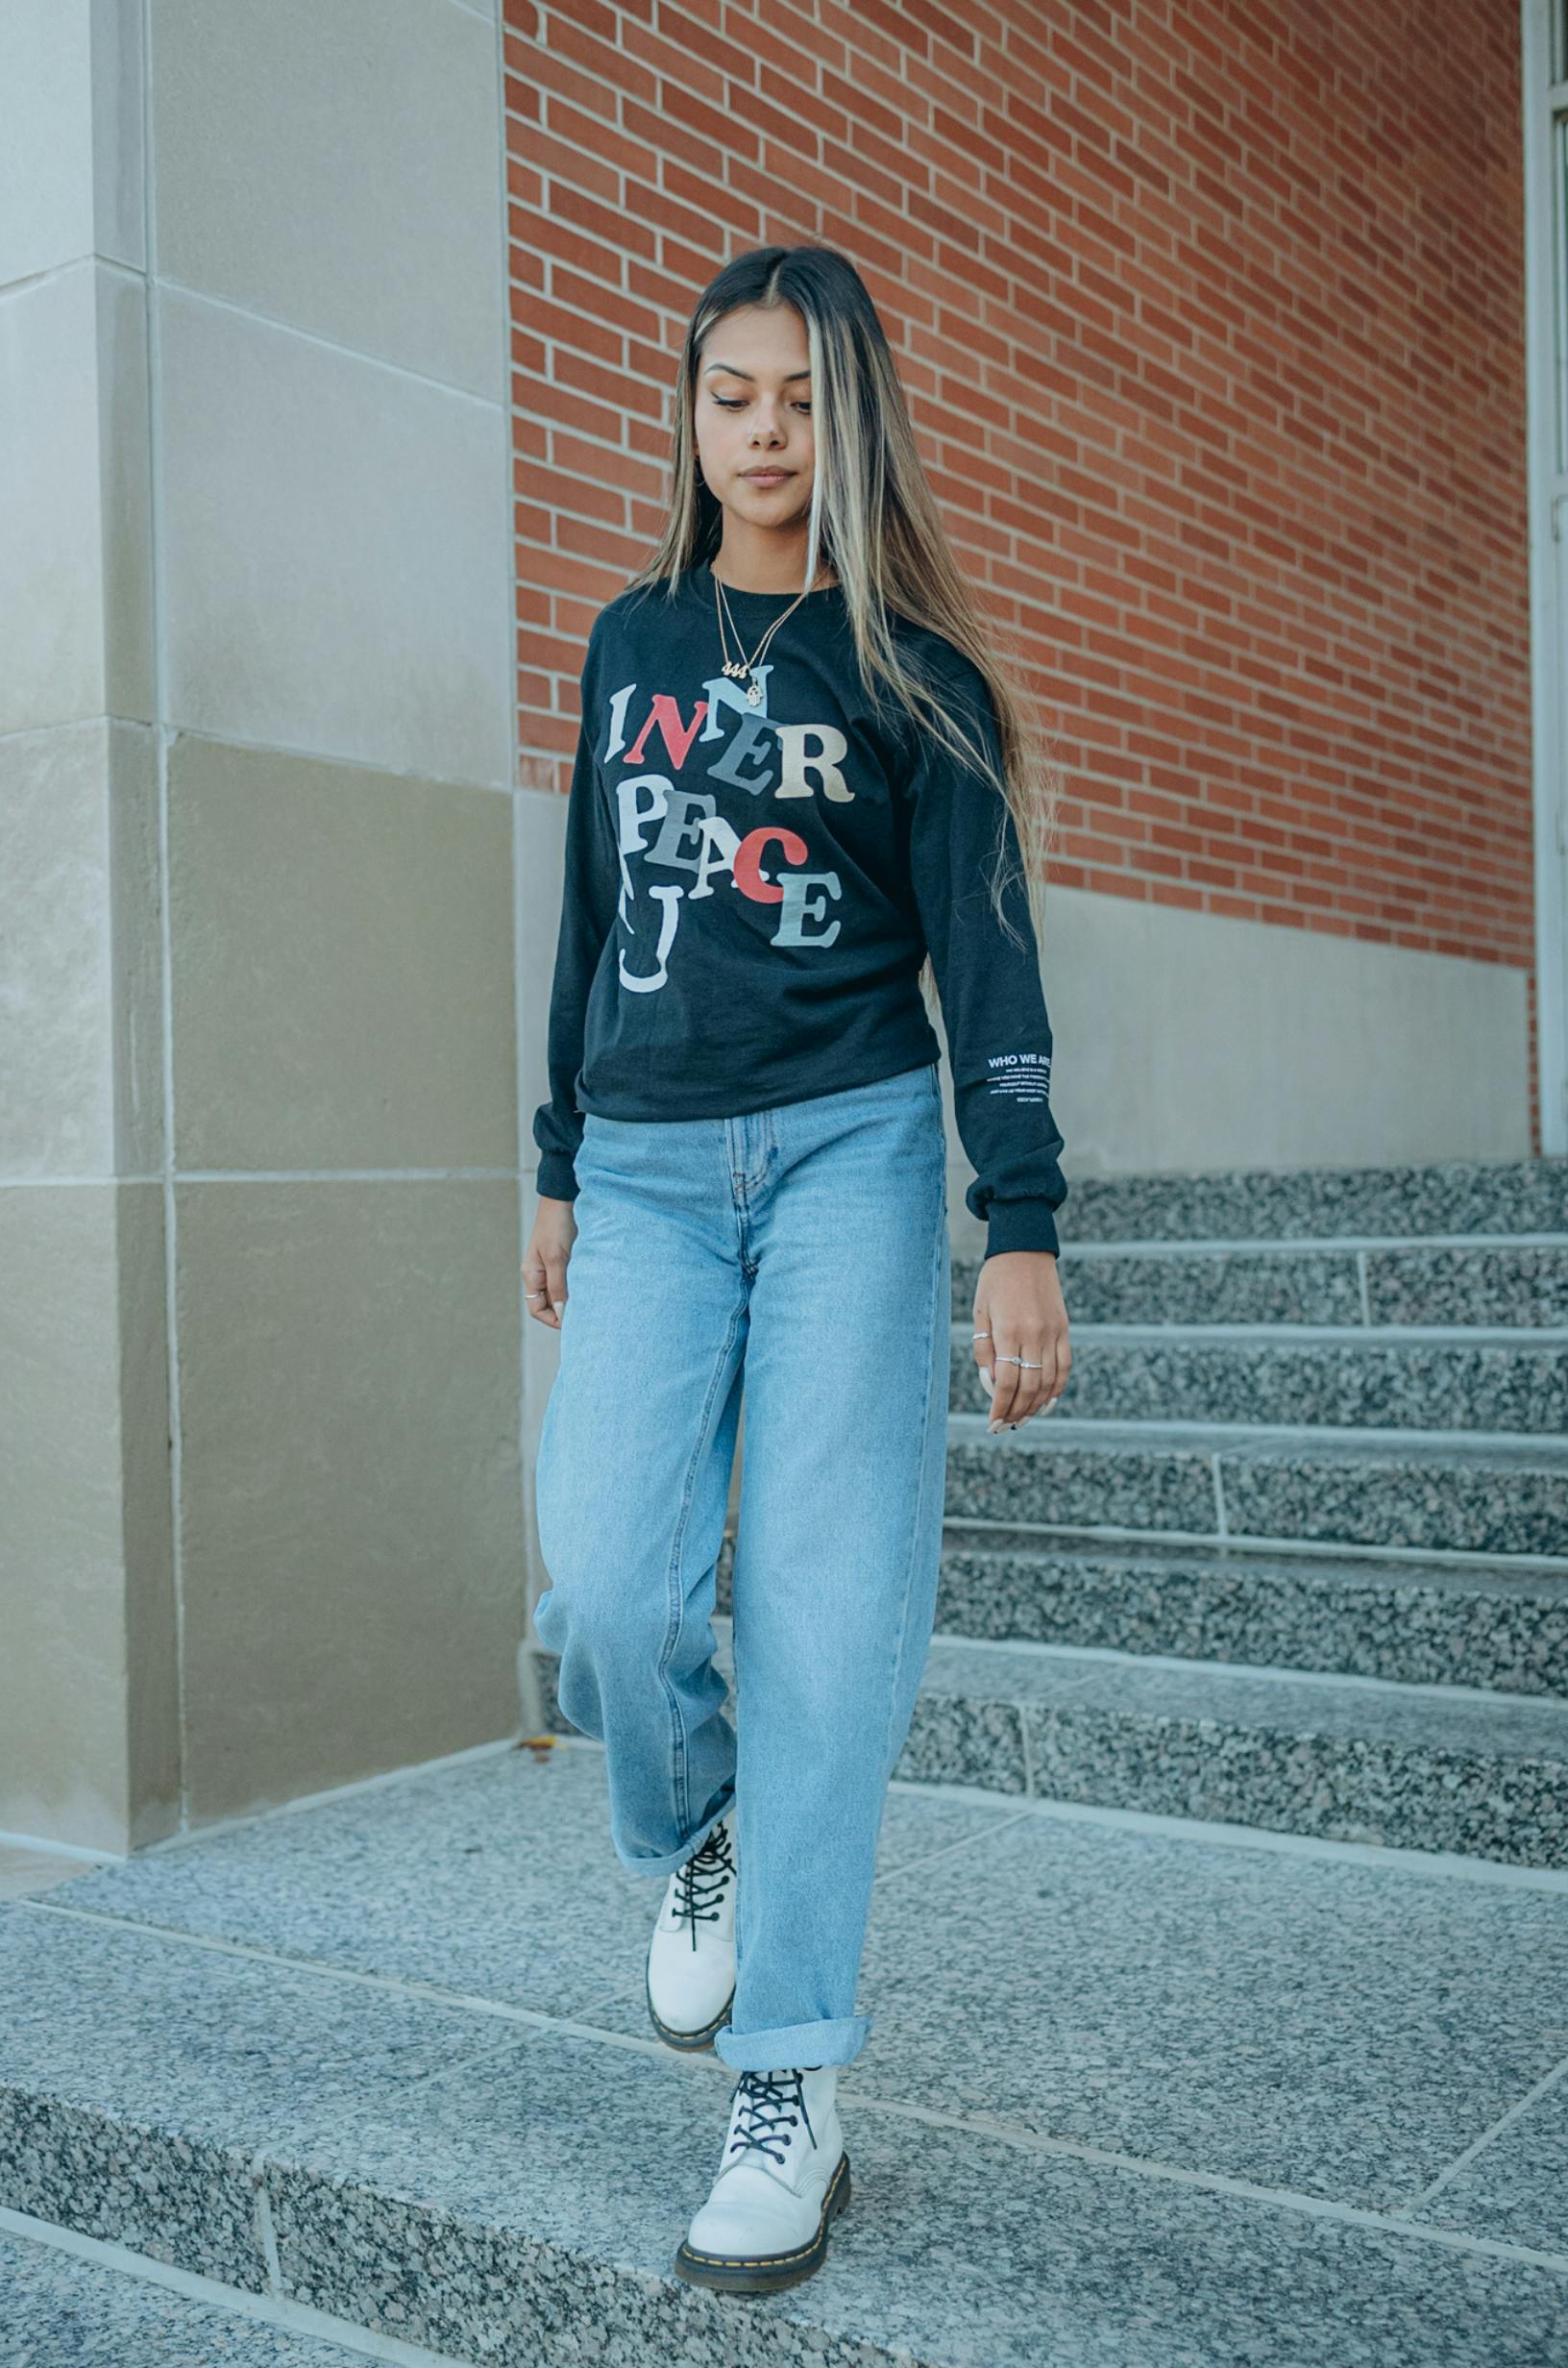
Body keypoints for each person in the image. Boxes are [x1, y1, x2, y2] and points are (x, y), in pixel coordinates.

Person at [523, 241, 1071, 2299]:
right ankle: (705, 1832)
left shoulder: (919, 666)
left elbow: (989, 963)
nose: (764, 431)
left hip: (848, 1153)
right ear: (690, 411)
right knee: (606, 1581)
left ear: (858, 418)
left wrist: (1014, 1220)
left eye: (802, 398)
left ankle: (795, 2078)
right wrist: (560, 1164)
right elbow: (584, 924)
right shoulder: (624, 641)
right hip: (653, 1169)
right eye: (731, 393)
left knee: (826, 1617)